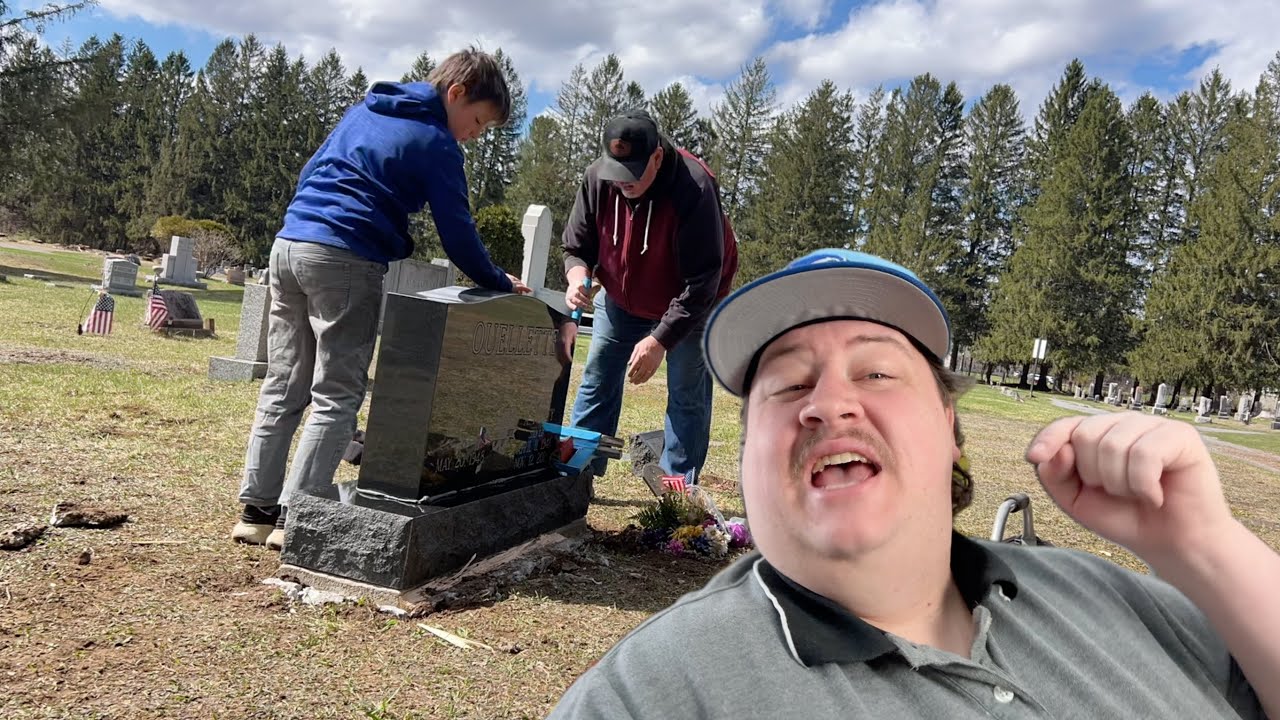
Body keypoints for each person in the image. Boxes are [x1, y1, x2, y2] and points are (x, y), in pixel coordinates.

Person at [548, 248, 1275, 719]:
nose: (830, 404)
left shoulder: (1111, 598)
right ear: (746, 459)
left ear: (949, 427)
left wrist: (1201, 544)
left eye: (875, 372)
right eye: (790, 384)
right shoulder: (653, 696)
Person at [231, 47, 531, 550]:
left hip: (289, 245)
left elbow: (310, 172)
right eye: (477, 121)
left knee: (284, 385)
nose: (474, 134)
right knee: (337, 394)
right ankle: (297, 517)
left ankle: (256, 511)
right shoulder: (436, 142)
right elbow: (458, 234)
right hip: (346, 256)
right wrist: (499, 280)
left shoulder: (365, 111)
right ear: (456, 94)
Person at [561, 109, 737, 486]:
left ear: (657, 157)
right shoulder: (598, 178)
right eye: (616, 170)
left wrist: (659, 340)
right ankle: (575, 478)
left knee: (686, 391)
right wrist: (577, 278)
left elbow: (704, 280)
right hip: (620, 298)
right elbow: (576, 247)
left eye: (632, 172)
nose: (622, 181)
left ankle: (677, 491)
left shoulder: (695, 187)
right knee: (597, 376)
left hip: (691, 302)